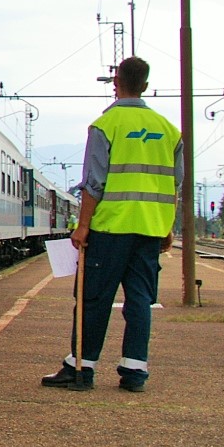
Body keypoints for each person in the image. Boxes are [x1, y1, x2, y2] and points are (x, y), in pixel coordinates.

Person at [42, 56, 183, 394]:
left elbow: (94, 183)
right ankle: (135, 372)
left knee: (94, 298)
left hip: (110, 228)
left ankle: (81, 369)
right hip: (149, 230)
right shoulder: (170, 131)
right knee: (140, 300)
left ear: (116, 82)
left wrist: (82, 226)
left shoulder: (105, 126)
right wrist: (167, 227)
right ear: (146, 86)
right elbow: (174, 185)